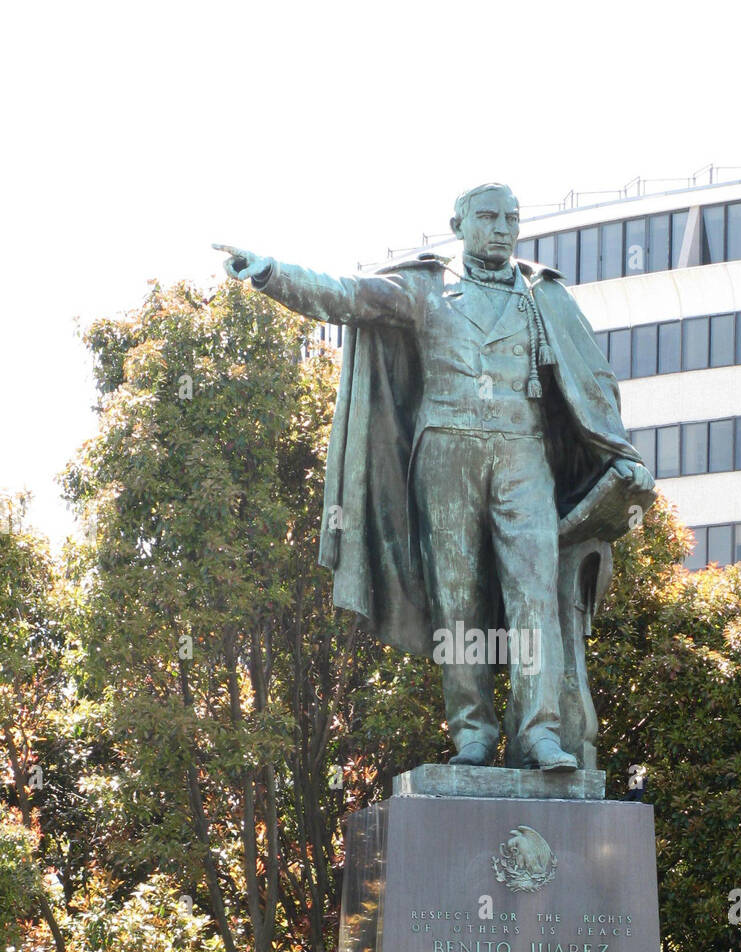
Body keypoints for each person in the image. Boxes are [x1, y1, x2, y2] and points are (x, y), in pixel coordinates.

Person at [215, 182, 652, 770]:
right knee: (459, 601)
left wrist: (618, 451)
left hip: (524, 457)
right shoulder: (424, 286)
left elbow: (593, 382)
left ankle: (540, 732)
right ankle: (472, 730)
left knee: (535, 594)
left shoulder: (545, 295)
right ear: (458, 223)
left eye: (512, 219)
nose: (502, 228)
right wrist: (270, 272)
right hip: (444, 453)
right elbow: (346, 296)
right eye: (489, 217)